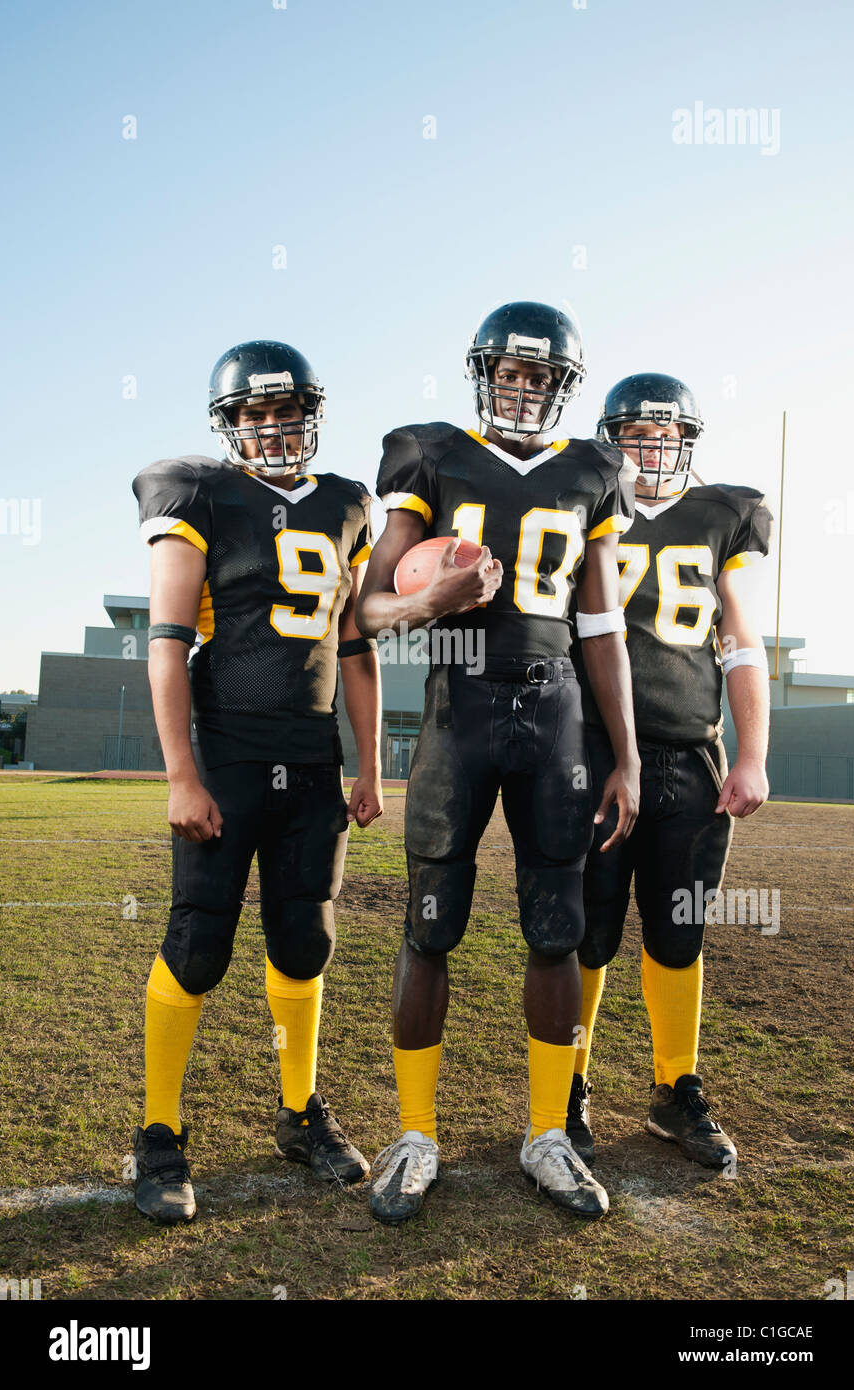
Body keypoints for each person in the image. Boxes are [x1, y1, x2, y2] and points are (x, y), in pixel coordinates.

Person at [355, 302, 640, 1224]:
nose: (524, 389)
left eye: (541, 377)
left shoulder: (595, 470)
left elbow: (599, 625)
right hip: (459, 704)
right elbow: (364, 610)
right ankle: (414, 1133)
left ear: (565, 387)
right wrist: (433, 596)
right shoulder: (430, 453)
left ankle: (548, 1133)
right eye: (511, 374)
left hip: (555, 706)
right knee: (430, 923)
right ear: (484, 374)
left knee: (556, 925)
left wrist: (626, 754)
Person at [130, 339, 383, 1223]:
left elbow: (354, 646)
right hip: (229, 760)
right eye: (252, 415)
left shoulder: (349, 503)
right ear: (228, 424)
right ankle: (159, 1132)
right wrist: (181, 776)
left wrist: (370, 763)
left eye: (284, 413)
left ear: (310, 415)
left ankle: (300, 1113)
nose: (271, 429)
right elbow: (167, 645)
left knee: (304, 943)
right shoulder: (198, 495)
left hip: (313, 761)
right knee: (199, 945)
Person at [566, 373, 772, 1171]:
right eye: (635, 435)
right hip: (591, 750)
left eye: (664, 434)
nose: (649, 449)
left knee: (678, 929)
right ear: (611, 441)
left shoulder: (726, 514)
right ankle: (570, 1081)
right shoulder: (585, 502)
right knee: (587, 927)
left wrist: (750, 754)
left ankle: (672, 1086)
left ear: (687, 439)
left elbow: (743, 641)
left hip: (687, 751)